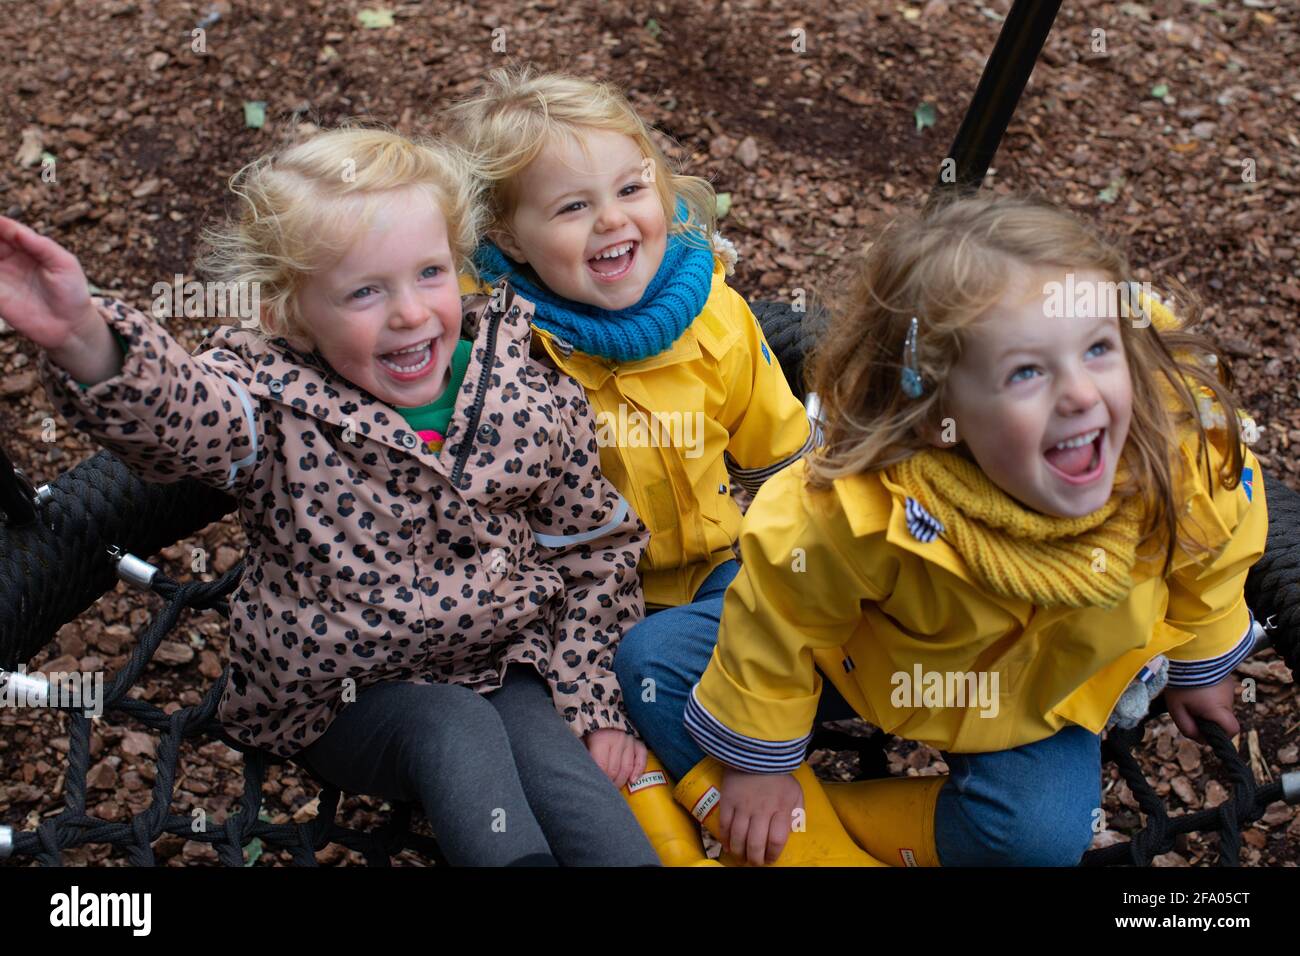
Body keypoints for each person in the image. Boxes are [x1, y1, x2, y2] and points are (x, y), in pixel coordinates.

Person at [0, 126, 658, 866]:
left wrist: (594, 702)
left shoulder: (521, 391)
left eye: (431, 273)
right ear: (288, 315)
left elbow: (594, 551)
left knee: (554, 755)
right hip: (342, 693)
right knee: (454, 730)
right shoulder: (274, 405)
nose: (409, 313)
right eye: (364, 292)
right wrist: (85, 336)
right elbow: (181, 418)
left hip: (502, 659)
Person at [661, 194, 1266, 866]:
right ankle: (806, 836)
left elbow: (1214, 554)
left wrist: (1201, 661)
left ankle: (824, 825)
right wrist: (757, 765)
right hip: (867, 657)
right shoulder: (858, 503)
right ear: (936, 409)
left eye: (1098, 349)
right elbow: (781, 613)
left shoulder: (1175, 453)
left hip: (1036, 693)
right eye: (1027, 372)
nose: (1081, 395)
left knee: (1037, 841)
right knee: (653, 662)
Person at [447, 70, 813, 865]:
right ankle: (689, 818)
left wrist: (794, 571)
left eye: (630, 189)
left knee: (744, 653)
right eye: (573, 207)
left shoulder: (713, 311)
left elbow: (780, 462)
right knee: (603, 722)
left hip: (719, 566)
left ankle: (764, 801)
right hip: (578, 601)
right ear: (509, 239)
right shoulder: (505, 352)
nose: (612, 221)